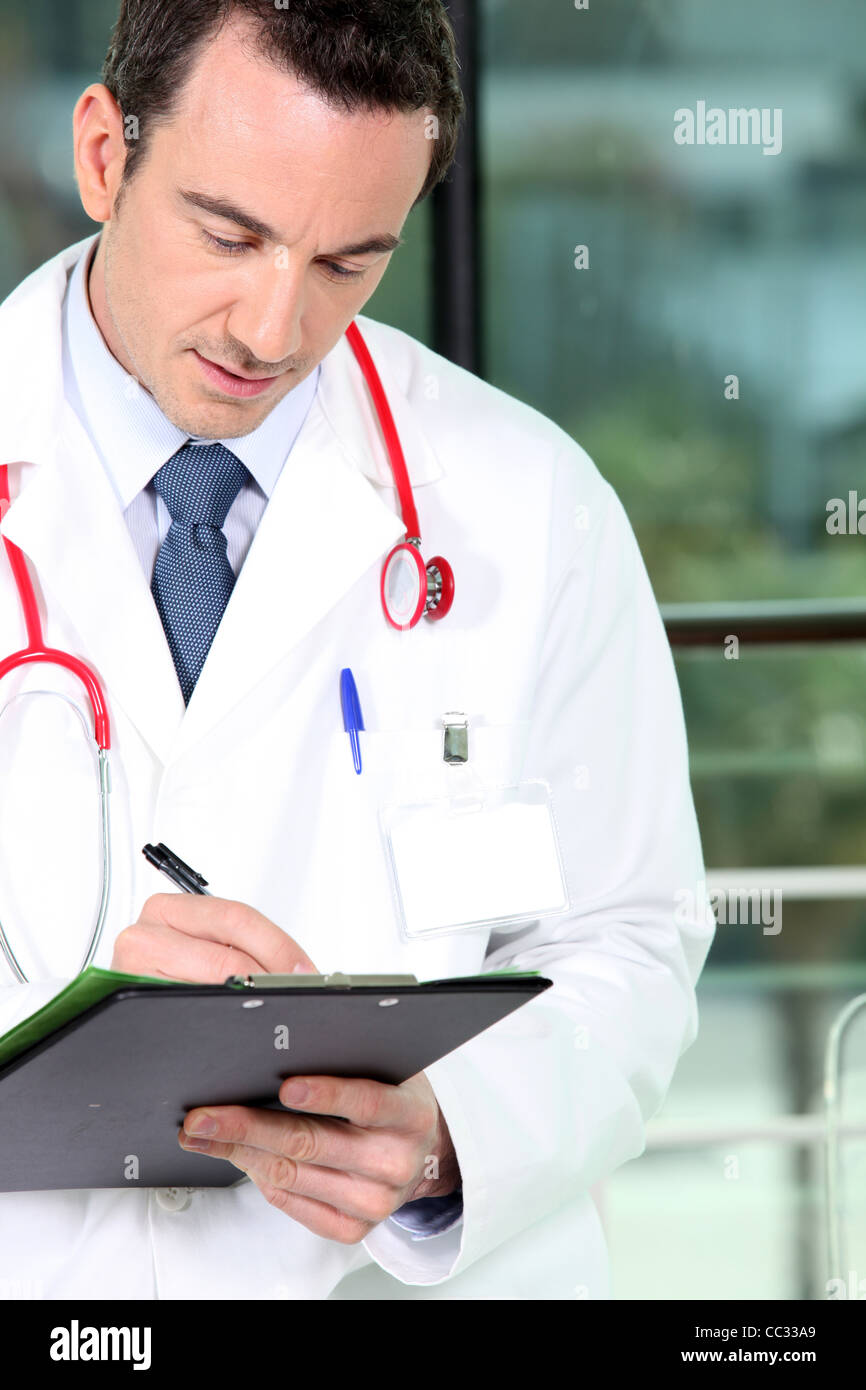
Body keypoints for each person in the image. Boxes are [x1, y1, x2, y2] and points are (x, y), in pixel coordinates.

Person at [0, 0, 714, 1300]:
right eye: (230, 235)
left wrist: (453, 1132)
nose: (270, 330)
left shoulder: (523, 503)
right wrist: (69, 1018)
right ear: (104, 154)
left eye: (347, 261)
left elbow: (630, 929)